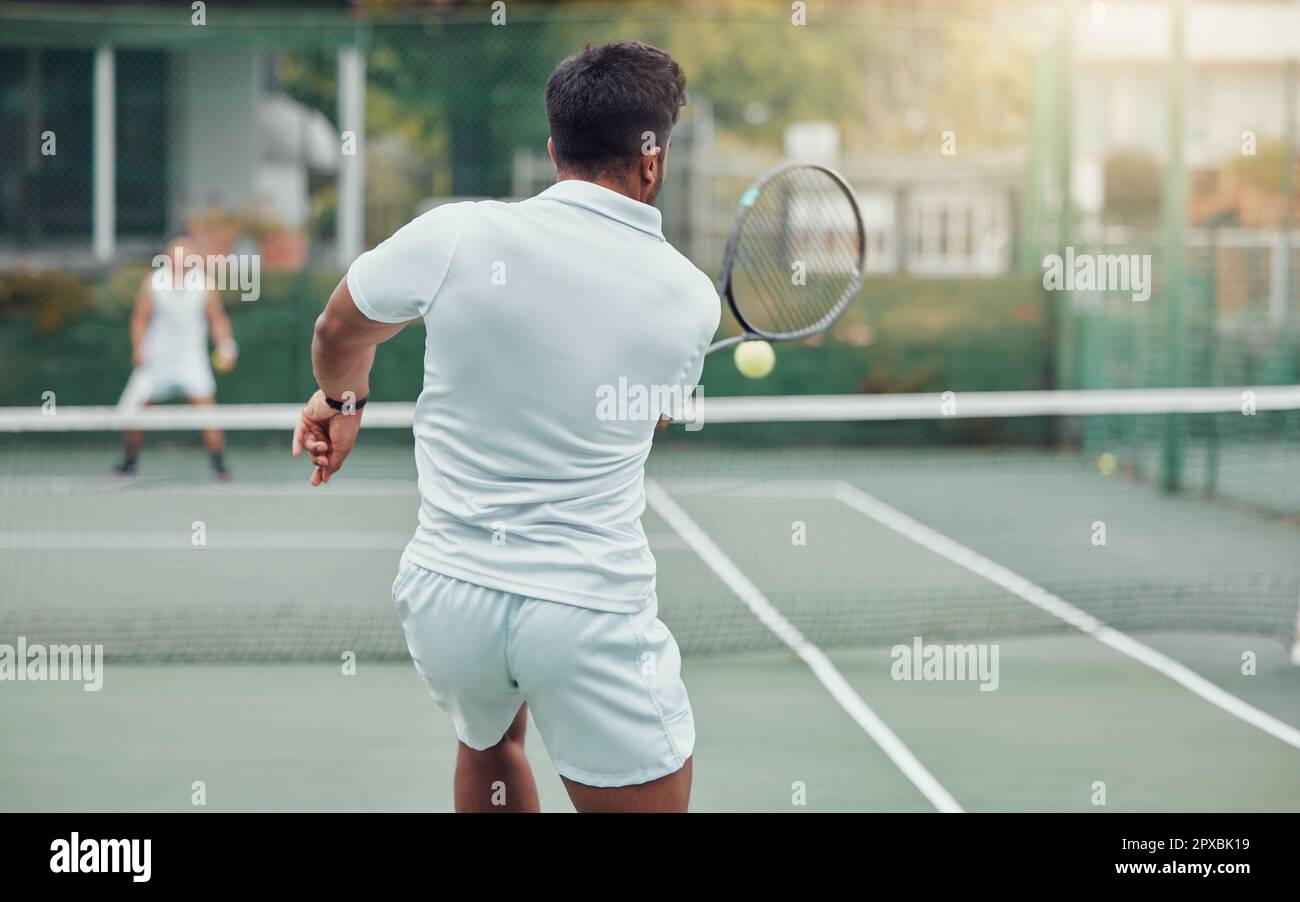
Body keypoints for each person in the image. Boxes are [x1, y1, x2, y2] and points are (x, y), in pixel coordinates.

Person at [292, 41, 718, 812]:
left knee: (492, 743)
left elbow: (336, 332)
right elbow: (643, 418)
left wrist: (343, 403)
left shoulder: (453, 235)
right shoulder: (689, 299)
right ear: (652, 163)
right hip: (586, 611)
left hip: (450, 599)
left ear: (555, 149)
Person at [115, 233, 238, 480]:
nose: (182, 259)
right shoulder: (153, 283)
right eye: (177, 253)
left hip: (191, 362)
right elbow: (139, 319)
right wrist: (139, 347)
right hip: (155, 361)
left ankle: (220, 467)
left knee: (208, 416)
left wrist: (226, 345)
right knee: (136, 416)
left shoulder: (204, 284)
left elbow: (217, 319)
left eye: (187, 253)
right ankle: (128, 463)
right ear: (169, 256)